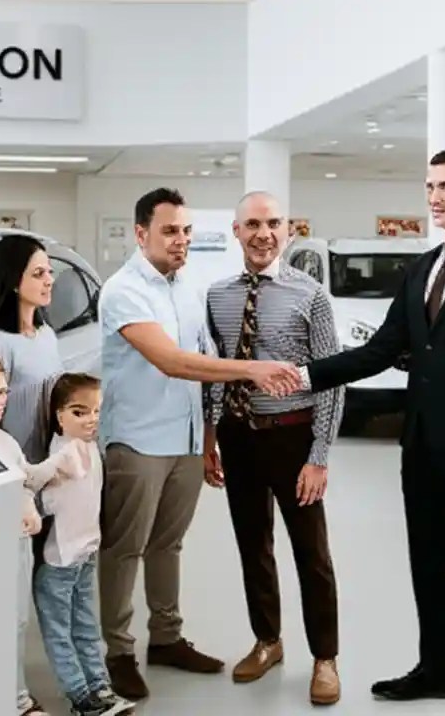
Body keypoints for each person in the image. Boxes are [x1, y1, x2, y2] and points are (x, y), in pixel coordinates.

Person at [294, 148, 445, 716]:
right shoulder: (422, 267)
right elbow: (382, 350)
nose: (434, 197)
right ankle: (437, 671)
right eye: (430, 186)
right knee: (429, 568)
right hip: (422, 450)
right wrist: (306, 374)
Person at [96, 187, 301, 701]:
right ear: (141, 233)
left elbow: (203, 368)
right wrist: (251, 369)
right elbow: (173, 362)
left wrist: (208, 437)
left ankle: (165, 638)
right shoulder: (124, 290)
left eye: (186, 231)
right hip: (138, 442)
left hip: (185, 441)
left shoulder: (188, 288)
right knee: (125, 549)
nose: (181, 241)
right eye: (170, 231)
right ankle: (118, 652)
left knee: (168, 544)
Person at [203, 191, 344, 705]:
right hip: (240, 437)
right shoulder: (217, 295)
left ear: (288, 230)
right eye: (254, 224)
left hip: (293, 436)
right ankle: (268, 641)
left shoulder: (312, 296)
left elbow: (332, 380)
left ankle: (325, 658)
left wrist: (319, 455)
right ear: (236, 231)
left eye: (274, 223)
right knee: (252, 545)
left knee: (312, 554)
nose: (264, 233)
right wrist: (211, 436)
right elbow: (214, 372)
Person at [0, 354, 85, 716]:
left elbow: (25, 478)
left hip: (15, 544)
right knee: (0, 627)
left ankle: (15, 697)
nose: (3, 399)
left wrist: (60, 460)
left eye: (5, 391)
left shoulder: (2, 438)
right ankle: (11, 702)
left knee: (16, 624)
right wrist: (25, 508)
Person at [33, 373, 136, 716]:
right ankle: (81, 697)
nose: (91, 419)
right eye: (79, 412)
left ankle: (100, 687)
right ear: (59, 416)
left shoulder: (91, 447)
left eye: (95, 411)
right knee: (60, 632)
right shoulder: (62, 455)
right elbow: (37, 487)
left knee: (87, 627)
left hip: (85, 554)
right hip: (60, 560)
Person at [0, 234, 65, 462]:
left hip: (47, 464)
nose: (49, 280)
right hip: (12, 467)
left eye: (50, 272)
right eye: (38, 274)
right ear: (13, 281)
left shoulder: (46, 336)